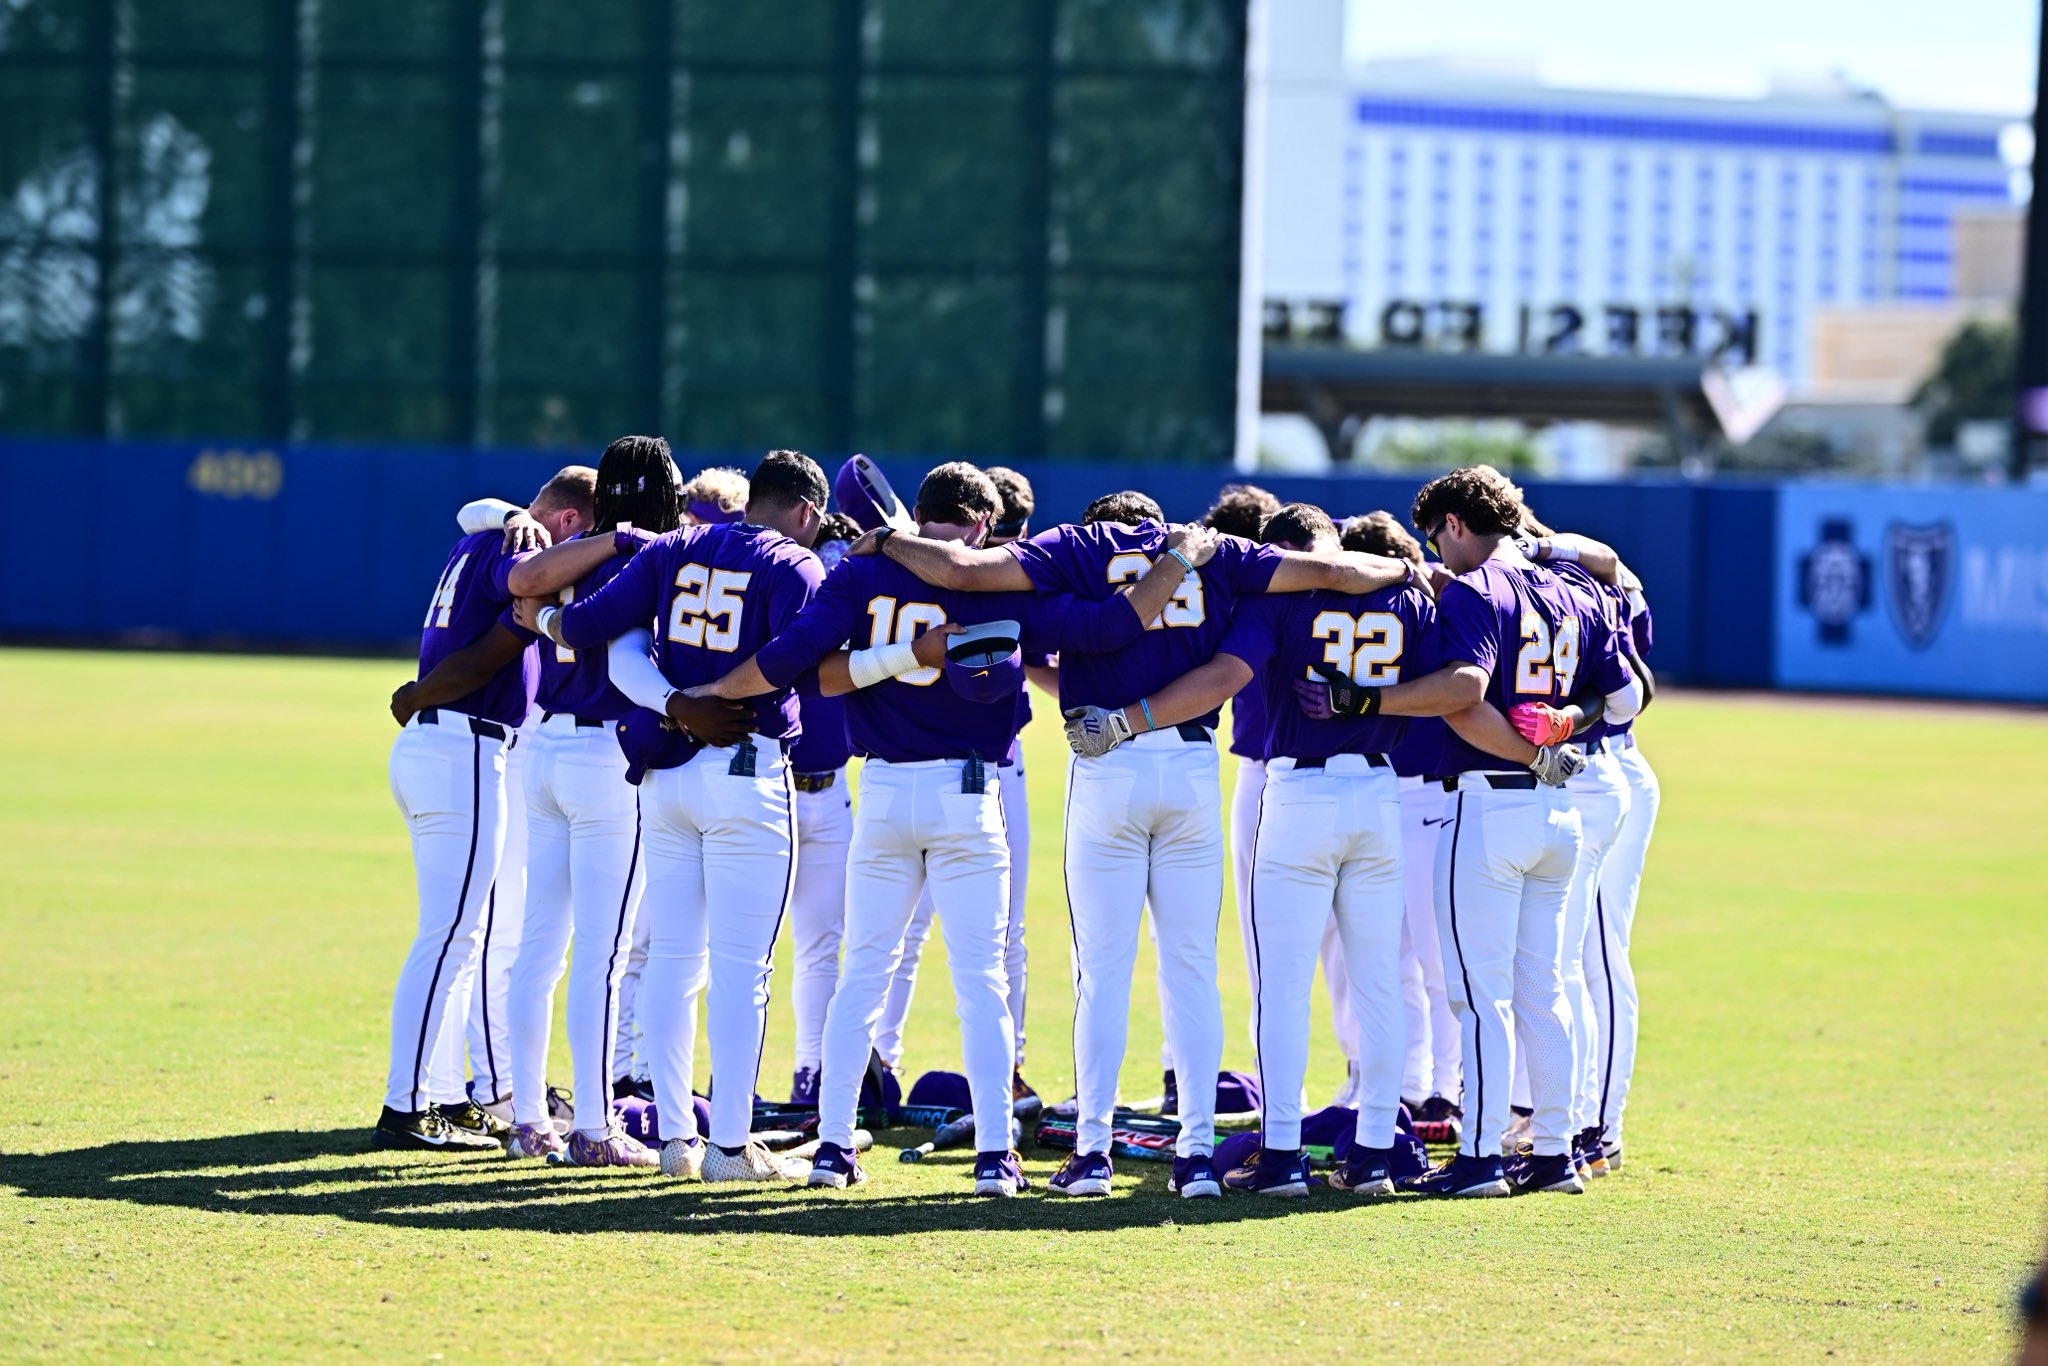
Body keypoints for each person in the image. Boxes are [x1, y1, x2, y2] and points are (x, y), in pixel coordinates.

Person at [855, 489, 1415, 1197]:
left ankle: (1092, 1153)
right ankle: (1196, 1156)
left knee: (1103, 971)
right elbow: (1330, 573)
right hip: (1191, 767)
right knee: (1192, 969)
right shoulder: (1216, 549)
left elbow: (962, 571)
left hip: (1107, 764)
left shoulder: (1077, 546)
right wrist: (1402, 568)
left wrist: (886, 540)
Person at [696, 463, 1215, 1196]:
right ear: (980, 523)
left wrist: (714, 691)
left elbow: (813, 675)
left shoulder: (863, 572)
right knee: (982, 982)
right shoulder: (1005, 580)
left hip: (882, 790)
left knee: (862, 974)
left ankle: (834, 1147)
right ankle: (996, 1156)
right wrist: (1177, 562)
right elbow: (1107, 626)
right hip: (970, 792)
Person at [1089, 503, 1438, 1197]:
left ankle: (1281, 1154)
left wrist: (1135, 718)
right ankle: (1373, 1152)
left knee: (1281, 985)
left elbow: (1226, 676)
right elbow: (1448, 688)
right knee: (1377, 982)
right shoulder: (1407, 594)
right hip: (1380, 791)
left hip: (1300, 792)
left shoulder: (1279, 597)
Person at [1324, 466, 1641, 1197]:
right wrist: (1565, 726)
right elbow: (1625, 696)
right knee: (1545, 991)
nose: (1439, 553)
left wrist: (1369, 700)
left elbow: (1464, 694)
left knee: (1479, 995)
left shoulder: (1476, 588)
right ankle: (1556, 1153)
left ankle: (1478, 1160)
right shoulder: (1573, 588)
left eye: (1438, 537)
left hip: (1490, 803)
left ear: (1456, 524)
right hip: (1561, 808)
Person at [521, 449, 827, 1183]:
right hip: (744, 765)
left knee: (672, 962)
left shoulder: (675, 546)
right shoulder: (796, 564)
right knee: (742, 969)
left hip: (666, 771)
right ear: (806, 512)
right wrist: (711, 698)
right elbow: (800, 660)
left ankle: (677, 1143)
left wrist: (548, 620)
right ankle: (729, 1148)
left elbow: (586, 626)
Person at [374, 468, 591, 1151]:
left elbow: (475, 511)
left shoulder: (483, 536)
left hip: (443, 747)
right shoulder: (519, 547)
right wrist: (419, 694)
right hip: (463, 746)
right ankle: (405, 1107)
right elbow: (484, 656)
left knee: (458, 940)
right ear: (566, 522)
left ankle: (442, 1095)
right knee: (450, 938)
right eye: (583, 535)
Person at [489, 437, 689, 1166]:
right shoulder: (652, 555)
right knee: (602, 954)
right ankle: (596, 1129)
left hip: (546, 743)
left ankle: (528, 1118)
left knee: (540, 947)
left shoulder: (574, 549)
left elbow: (522, 579)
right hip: (607, 753)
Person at [871, 466, 1046, 1098]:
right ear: (982, 521)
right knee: (941, 935)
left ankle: (996, 1067)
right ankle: (885, 1063)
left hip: (963, 764)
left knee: (983, 935)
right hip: (967, 766)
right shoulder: (973, 568)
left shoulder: (933, 560)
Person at [1342, 512, 1463, 1139]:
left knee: (1436, 959)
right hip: (1386, 791)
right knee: (1389, 959)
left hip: (1428, 793)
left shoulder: (1430, 605)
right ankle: (1409, 1085)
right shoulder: (1421, 600)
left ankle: (1448, 1089)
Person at [785, 513, 861, 1105]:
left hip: (833, 794)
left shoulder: (864, 610)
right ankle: (724, 1079)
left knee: (821, 944)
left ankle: (810, 1071)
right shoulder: (783, 595)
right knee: (741, 944)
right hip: (771, 787)